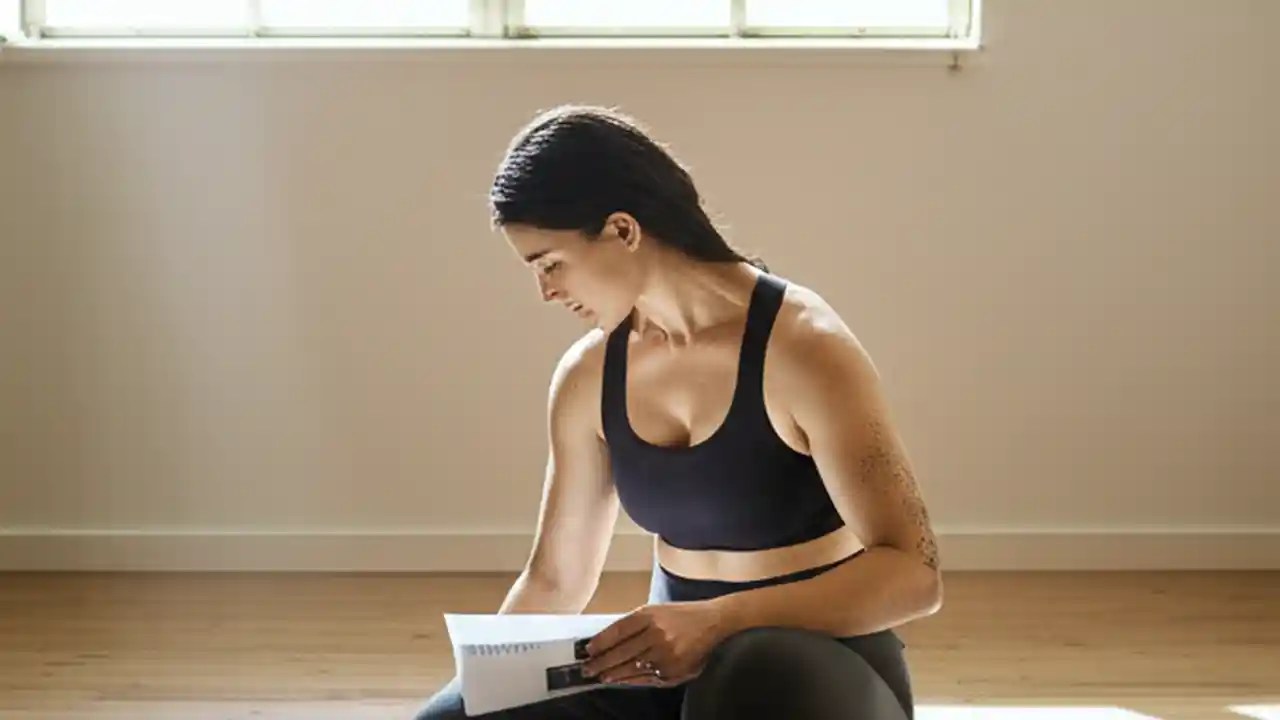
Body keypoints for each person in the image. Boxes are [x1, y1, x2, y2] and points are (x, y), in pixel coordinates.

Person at [413, 105, 942, 720]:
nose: (546, 292)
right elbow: (555, 579)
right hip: (669, 667)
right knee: (453, 718)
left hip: (818, 670)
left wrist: (717, 621)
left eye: (551, 264)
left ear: (622, 229)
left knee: (744, 676)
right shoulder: (588, 376)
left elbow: (913, 573)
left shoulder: (804, 348)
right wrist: (488, 686)